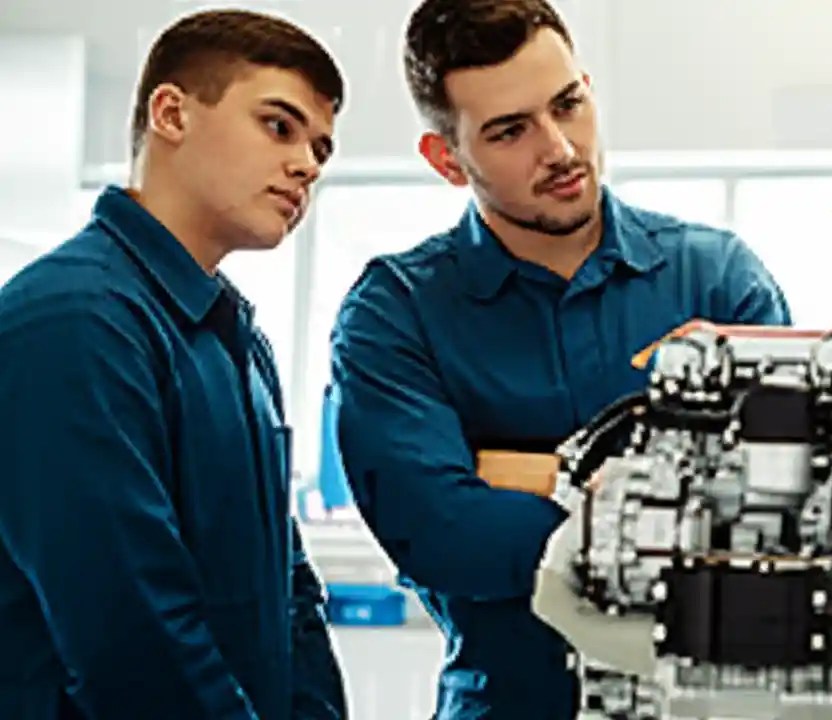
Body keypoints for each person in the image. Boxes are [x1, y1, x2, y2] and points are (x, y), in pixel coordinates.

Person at [327, 0, 791, 716]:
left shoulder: (719, 280)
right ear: (447, 158)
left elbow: (783, 523)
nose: (560, 149)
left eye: (567, 104)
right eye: (511, 130)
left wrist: (520, 477)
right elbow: (446, 538)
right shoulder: (396, 313)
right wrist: (672, 502)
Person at [0, 9, 348, 719]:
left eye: (321, 147)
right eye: (279, 126)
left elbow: (290, 589)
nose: (308, 164)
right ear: (171, 113)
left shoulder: (236, 339)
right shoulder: (73, 320)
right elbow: (130, 635)